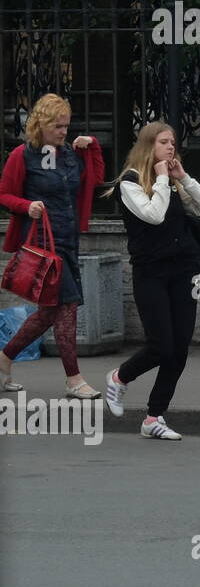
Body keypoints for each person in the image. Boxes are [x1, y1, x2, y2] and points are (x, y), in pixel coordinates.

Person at [101, 121, 200, 440]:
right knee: (161, 345)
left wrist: (183, 179)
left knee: (179, 350)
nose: (170, 147)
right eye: (164, 142)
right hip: (150, 274)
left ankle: (154, 417)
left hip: (182, 273)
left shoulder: (174, 182)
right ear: (148, 146)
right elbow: (153, 215)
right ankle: (120, 377)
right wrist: (163, 180)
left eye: (173, 142)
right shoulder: (130, 182)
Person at [0, 93, 105, 396]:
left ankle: (4, 359)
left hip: (68, 240)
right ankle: (74, 380)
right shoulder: (22, 155)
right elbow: (4, 194)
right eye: (58, 126)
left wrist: (93, 147)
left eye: (66, 126)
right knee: (68, 304)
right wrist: (26, 206)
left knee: (49, 312)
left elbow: (95, 180)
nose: (63, 132)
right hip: (43, 244)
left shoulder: (70, 153)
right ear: (41, 125)